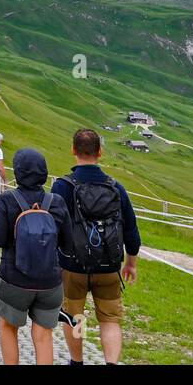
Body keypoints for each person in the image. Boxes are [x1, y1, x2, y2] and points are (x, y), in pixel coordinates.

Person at [50, 129, 141, 365]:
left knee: (73, 317)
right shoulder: (116, 187)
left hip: (72, 266)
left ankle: (77, 362)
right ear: (100, 152)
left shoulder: (62, 186)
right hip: (109, 266)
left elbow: (52, 227)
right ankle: (111, 363)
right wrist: (130, 263)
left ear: (73, 151)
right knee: (110, 320)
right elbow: (131, 231)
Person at [0, 148, 71, 365]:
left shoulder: (7, 200)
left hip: (14, 279)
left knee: (8, 327)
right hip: (50, 283)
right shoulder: (57, 201)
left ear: (17, 171)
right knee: (43, 336)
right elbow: (68, 244)